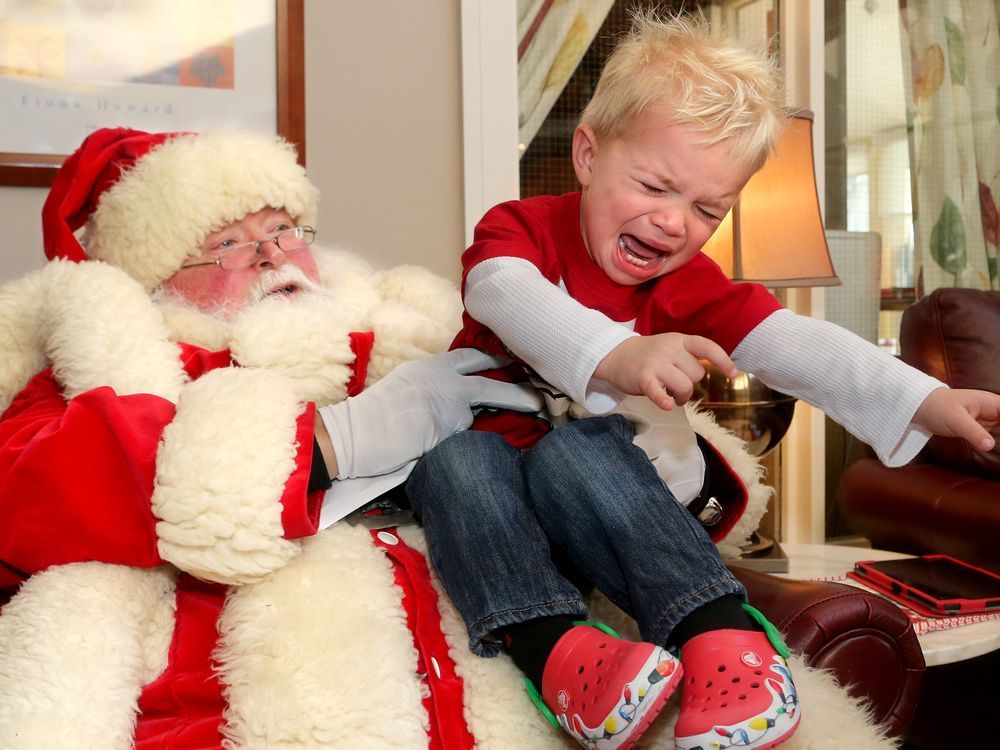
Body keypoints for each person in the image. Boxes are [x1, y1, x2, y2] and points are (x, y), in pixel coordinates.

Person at [405, 13, 1000, 750]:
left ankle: (718, 637)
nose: (672, 222)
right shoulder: (520, 231)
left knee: (580, 448)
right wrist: (616, 355)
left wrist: (923, 397)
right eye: (655, 185)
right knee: (453, 459)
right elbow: (499, 291)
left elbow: (789, 340)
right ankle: (557, 652)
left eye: (706, 208)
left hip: (600, 503)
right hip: (495, 511)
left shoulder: (689, 281)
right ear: (587, 155)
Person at [0, 127, 543, 748]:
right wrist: (322, 445)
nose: (270, 254)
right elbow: (25, 492)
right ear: (157, 287)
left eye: (282, 228)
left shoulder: (419, 347)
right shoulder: (104, 379)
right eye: (227, 243)